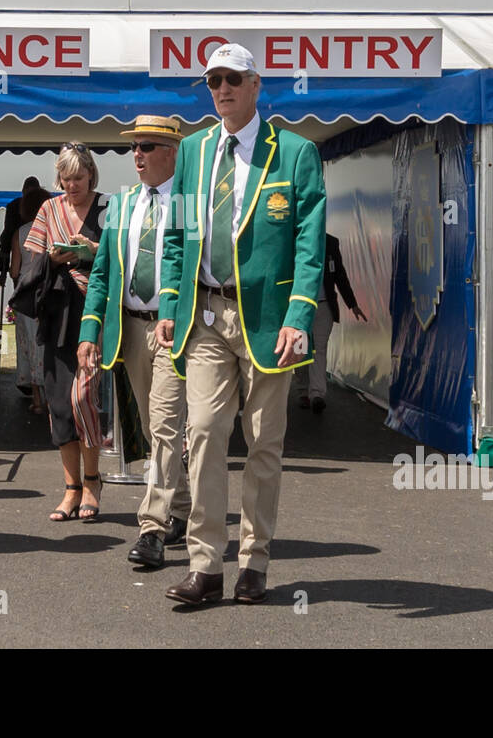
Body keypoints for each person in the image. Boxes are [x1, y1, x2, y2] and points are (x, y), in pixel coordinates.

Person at [156, 43, 326, 607]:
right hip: (205, 312)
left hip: (269, 320)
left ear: (256, 85)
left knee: (264, 442)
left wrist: (301, 314)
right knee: (202, 433)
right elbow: (177, 236)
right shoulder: (193, 152)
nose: (221, 88)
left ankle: (254, 560)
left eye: (232, 78)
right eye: (213, 80)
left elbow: (309, 242)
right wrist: (168, 304)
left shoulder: (296, 155)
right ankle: (205, 565)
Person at [78, 115, 192, 569]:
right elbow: (102, 272)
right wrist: (90, 332)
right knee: (149, 427)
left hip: (171, 329)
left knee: (165, 426)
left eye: (146, 146)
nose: (137, 155)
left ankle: (152, 528)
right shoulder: (121, 204)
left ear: (171, 152)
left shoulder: (187, 203)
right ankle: (181, 508)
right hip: (129, 327)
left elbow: (193, 264)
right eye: (133, 147)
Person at [14, 143, 105, 522]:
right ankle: (71, 489)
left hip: (93, 312)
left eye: (79, 179)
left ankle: (93, 481)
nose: (72, 187)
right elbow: (30, 260)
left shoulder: (108, 207)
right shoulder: (48, 209)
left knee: (84, 397)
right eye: (65, 180)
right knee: (59, 404)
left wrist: (92, 251)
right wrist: (52, 258)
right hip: (56, 312)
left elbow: (125, 256)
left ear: (91, 176)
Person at [295, 233, 367, 412]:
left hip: (324, 306)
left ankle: (317, 394)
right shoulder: (295, 239)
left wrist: (352, 304)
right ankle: (304, 390)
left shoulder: (331, 243)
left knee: (319, 348)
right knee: (301, 348)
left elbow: (340, 275)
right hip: (300, 307)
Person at [10, 186, 50, 415]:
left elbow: (15, 271)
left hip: (27, 296)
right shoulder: (52, 229)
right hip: (47, 292)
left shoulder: (20, 232)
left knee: (31, 347)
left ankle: (36, 398)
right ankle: (53, 396)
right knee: (50, 344)